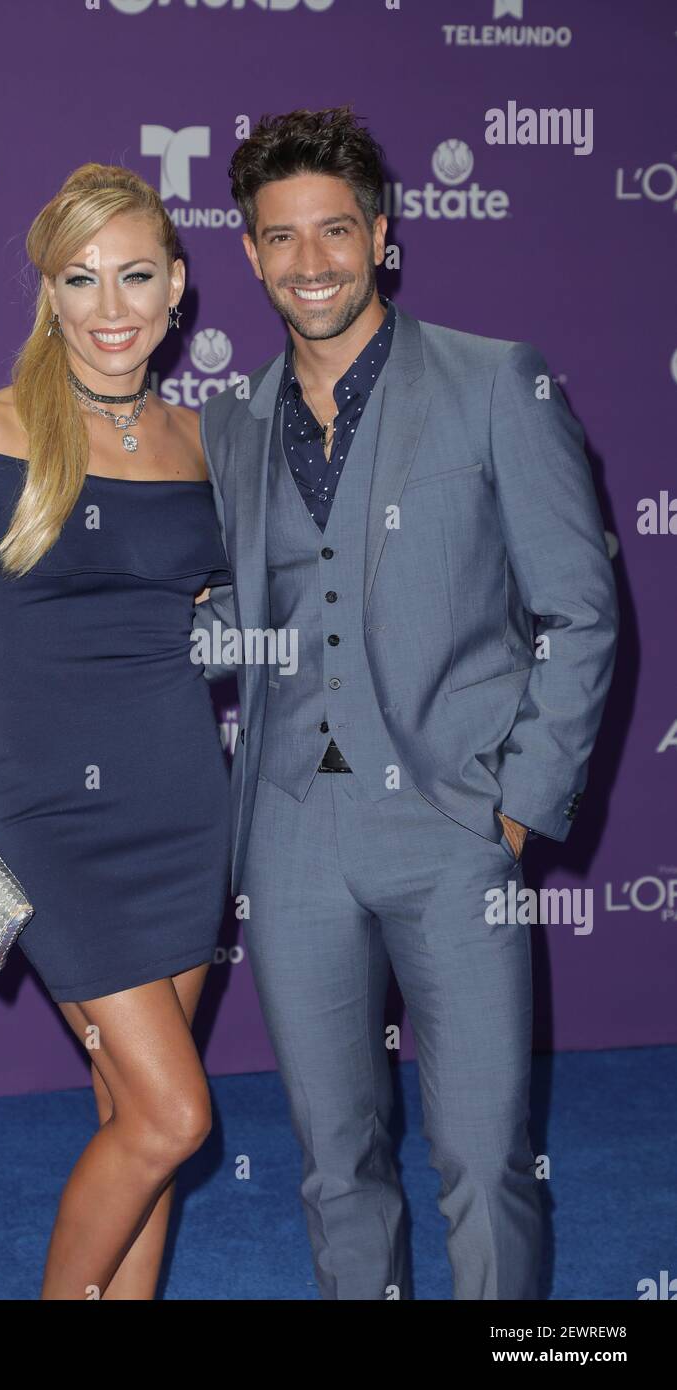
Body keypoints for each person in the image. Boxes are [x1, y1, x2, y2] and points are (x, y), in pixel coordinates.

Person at [190, 106, 619, 1299]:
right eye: (282, 238)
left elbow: (578, 610)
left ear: (382, 235)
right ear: (249, 254)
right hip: (287, 838)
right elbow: (227, 615)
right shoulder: (230, 425)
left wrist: (518, 807)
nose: (310, 260)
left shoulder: (493, 382)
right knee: (334, 1164)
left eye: (335, 230)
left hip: (451, 829)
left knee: (484, 1161)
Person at [0, 163, 233, 1301]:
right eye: (81, 280)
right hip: (52, 819)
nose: (110, 307)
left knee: (135, 1119)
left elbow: (228, 600)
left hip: (184, 808)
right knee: (177, 1114)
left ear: (176, 287)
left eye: (134, 276)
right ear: (49, 295)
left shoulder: (207, 445)